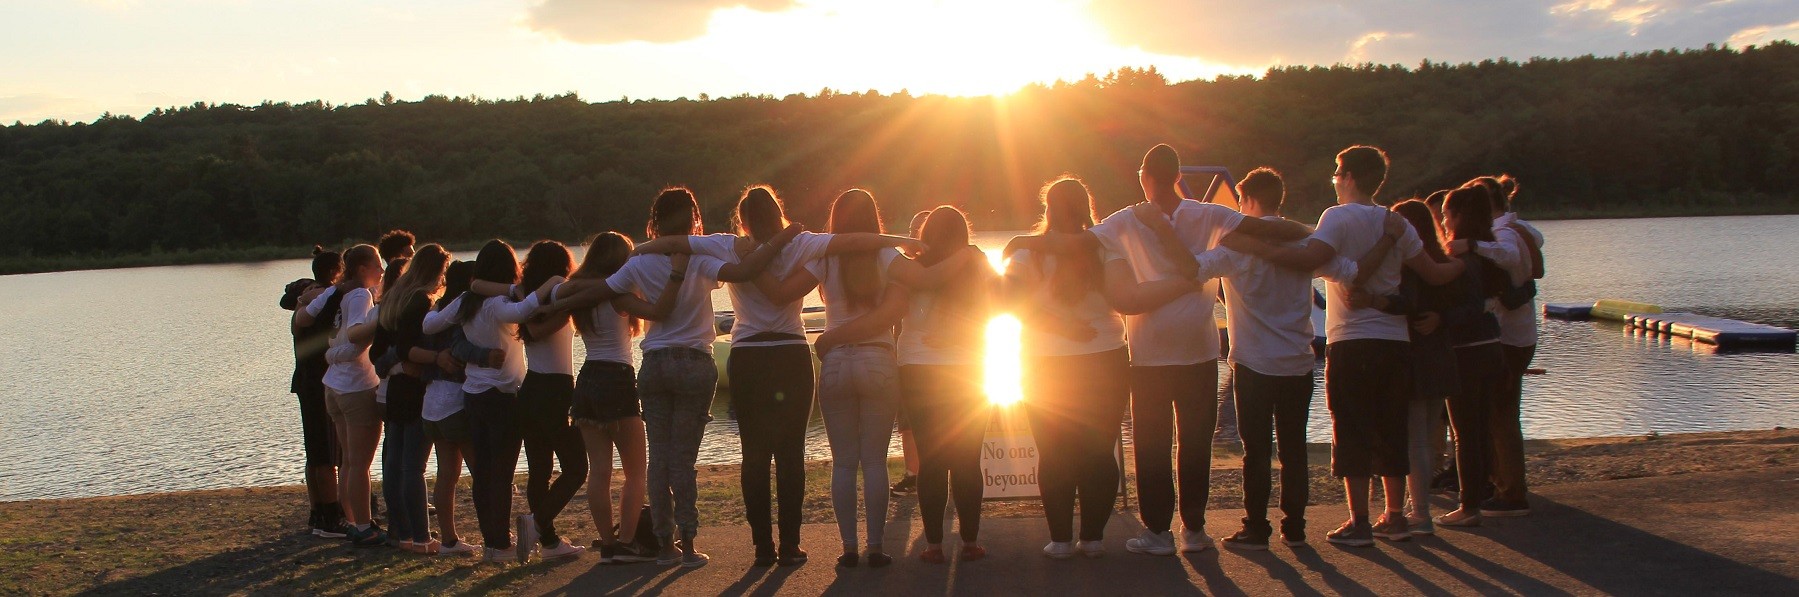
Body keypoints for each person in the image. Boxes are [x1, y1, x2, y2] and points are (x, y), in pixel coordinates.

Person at [1010, 144, 1310, 556]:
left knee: (1152, 445)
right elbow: (1280, 230)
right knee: (1196, 442)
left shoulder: (1127, 219)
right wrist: (1304, 238)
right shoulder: (1211, 214)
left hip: (1149, 351)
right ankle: (1194, 531)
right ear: (1177, 174)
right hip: (1200, 347)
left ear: (1143, 176)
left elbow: (1076, 244)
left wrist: (1023, 243)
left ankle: (1157, 534)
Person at [636, 185, 918, 567]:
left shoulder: (728, 244)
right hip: (789, 355)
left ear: (744, 220)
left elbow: (673, 242)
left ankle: (762, 547)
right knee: (790, 455)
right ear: (779, 213)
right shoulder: (803, 243)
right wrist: (910, 240)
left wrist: (638, 249)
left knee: (754, 455)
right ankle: (790, 545)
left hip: (749, 357)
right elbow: (860, 239)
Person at [1221, 146, 1463, 547]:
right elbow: (1435, 275)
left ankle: (1360, 522)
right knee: (1391, 426)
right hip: (1395, 340)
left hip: (1352, 339)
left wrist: (1254, 247)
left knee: (1350, 427)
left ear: (1349, 177)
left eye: (1336, 173)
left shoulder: (1336, 217)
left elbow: (1309, 261)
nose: (1333, 180)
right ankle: (1397, 515)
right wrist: (1467, 259)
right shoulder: (1396, 222)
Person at [1167, 169, 1392, 550]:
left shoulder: (1237, 248)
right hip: (1298, 361)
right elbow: (1352, 273)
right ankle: (1295, 528)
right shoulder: (1305, 248)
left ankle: (1256, 528)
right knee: (1294, 449)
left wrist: (1162, 235)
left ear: (1248, 201)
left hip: (1254, 363)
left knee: (1256, 451)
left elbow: (1193, 268)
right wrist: (1388, 239)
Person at [583, 187, 798, 568]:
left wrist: (563, 299)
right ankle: (688, 543)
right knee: (682, 462)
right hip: (694, 365)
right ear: (693, 218)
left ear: (655, 221)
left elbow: (606, 291)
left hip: (654, 365)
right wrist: (785, 235)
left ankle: (665, 547)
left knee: (659, 460)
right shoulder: (699, 257)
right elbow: (746, 271)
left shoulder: (637, 264)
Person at [750, 189, 920, 568]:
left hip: (837, 364)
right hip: (878, 360)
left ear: (836, 222)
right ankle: (875, 546)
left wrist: (749, 261)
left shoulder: (825, 257)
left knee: (844, 462)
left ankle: (848, 549)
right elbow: (916, 287)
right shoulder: (887, 255)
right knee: (874, 461)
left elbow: (780, 294)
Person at [537, 232, 689, 565]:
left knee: (599, 471)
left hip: (587, 377)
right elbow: (659, 311)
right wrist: (676, 275)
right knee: (636, 471)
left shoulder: (579, 294)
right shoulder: (618, 295)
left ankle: (608, 543)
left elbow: (555, 293)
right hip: (616, 379)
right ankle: (627, 542)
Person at [1003, 177, 1131, 559]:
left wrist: (1058, 327)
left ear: (1049, 210)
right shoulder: (1105, 246)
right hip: (1104, 357)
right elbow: (1123, 296)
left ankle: (1060, 539)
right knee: (1099, 451)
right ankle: (1092, 538)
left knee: (1054, 451)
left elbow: (1008, 303)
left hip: (1045, 362)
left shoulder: (1027, 252)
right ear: (1086, 206)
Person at [421, 240, 555, 564]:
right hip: (502, 397)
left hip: (473, 395)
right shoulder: (496, 304)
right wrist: (550, 284)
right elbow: (525, 310)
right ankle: (498, 545)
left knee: (484, 472)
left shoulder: (466, 301)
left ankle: (492, 542)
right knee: (501, 473)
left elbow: (428, 325)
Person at [891, 206, 997, 563]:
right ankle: (969, 542)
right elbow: (995, 308)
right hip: (968, 369)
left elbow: (895, 311)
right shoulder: (976, 264)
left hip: (919, 368)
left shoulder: (910, 266)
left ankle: (934, 544)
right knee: (968, 459)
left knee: (932, 459)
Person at [1460, 175, 1545, 518]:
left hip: (1508, 336)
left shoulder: (1503, 233)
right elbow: (1534, 245)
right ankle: (1503, 485)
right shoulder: (1520, 227)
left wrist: (1474, 247)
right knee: (1503, 412)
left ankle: (1510, 491)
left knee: (1501, 415)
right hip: (1520, 333)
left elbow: (1509, 256)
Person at [1374, 200, 1460, 536]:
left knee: (1415, 439)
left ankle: (1419, 512)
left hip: (1412, 356)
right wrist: (1444, 319)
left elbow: (1404, 302)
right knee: (1425, 437)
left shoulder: (1407, 265)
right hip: (1440, 356)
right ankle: (1418, 509)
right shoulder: (1444, 262)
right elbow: (1472, 305)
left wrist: (1375, 301)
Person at [294, 244, 387, 547]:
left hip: (332, 384)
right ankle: (363, 525)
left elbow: (302, 319)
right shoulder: (360, 294)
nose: (381, 270)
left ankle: (352, 521)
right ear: (362, 269)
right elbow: (359, 333)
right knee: (359, 463)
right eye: (377, 265)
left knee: (348, 461)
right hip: (355, 384)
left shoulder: (336, 291)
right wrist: (384, 318)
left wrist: (332, 350)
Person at [1432, 185, 1514, 527]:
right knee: (1480, 429)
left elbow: (1462, 309)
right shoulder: (1489, 255)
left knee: (1464, 432)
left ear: (1458, 217)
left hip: (1465, 352)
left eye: (1447, 215)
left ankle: (1468, 506)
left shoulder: (1460, 259)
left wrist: (1439, 319)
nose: (1444, 221)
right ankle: (1480, 494)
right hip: (1492, 347)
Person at [370, 244, 452, 554]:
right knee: (413, 467)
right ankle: (421, 537)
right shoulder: (419, 300)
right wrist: (435, 358)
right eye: (444, 272)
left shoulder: (392, 298)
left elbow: (377, 352)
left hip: (394, 390)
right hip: (414, 388)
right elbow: (406, 347)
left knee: (395, 462)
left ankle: (400, 534)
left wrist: (395, 366)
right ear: (436, 272)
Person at [283, 246, 347, 538]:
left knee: (315, 451)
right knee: (326, 453)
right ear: (337, 272)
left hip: (307, 380)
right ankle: (331, 517)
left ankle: (317, 511)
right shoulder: (324, 302)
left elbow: (289, 297)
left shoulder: (305, 300)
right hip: (320, 381)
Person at [421, 260, 481, 556]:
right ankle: (495, 535)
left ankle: (449, 539)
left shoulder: (436, 309)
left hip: (431, 403)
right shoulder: (463, 311)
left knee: (447, 474)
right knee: (479, 471)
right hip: (455, 400)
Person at [890, 210, 933, 498]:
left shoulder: (944, 267)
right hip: (905, 351)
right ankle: (913, 473)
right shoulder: (899, 266)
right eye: (911, 230)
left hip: (937, 354)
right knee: (907, 419)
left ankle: (939, 471)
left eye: (921, 230)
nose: (914, 236)